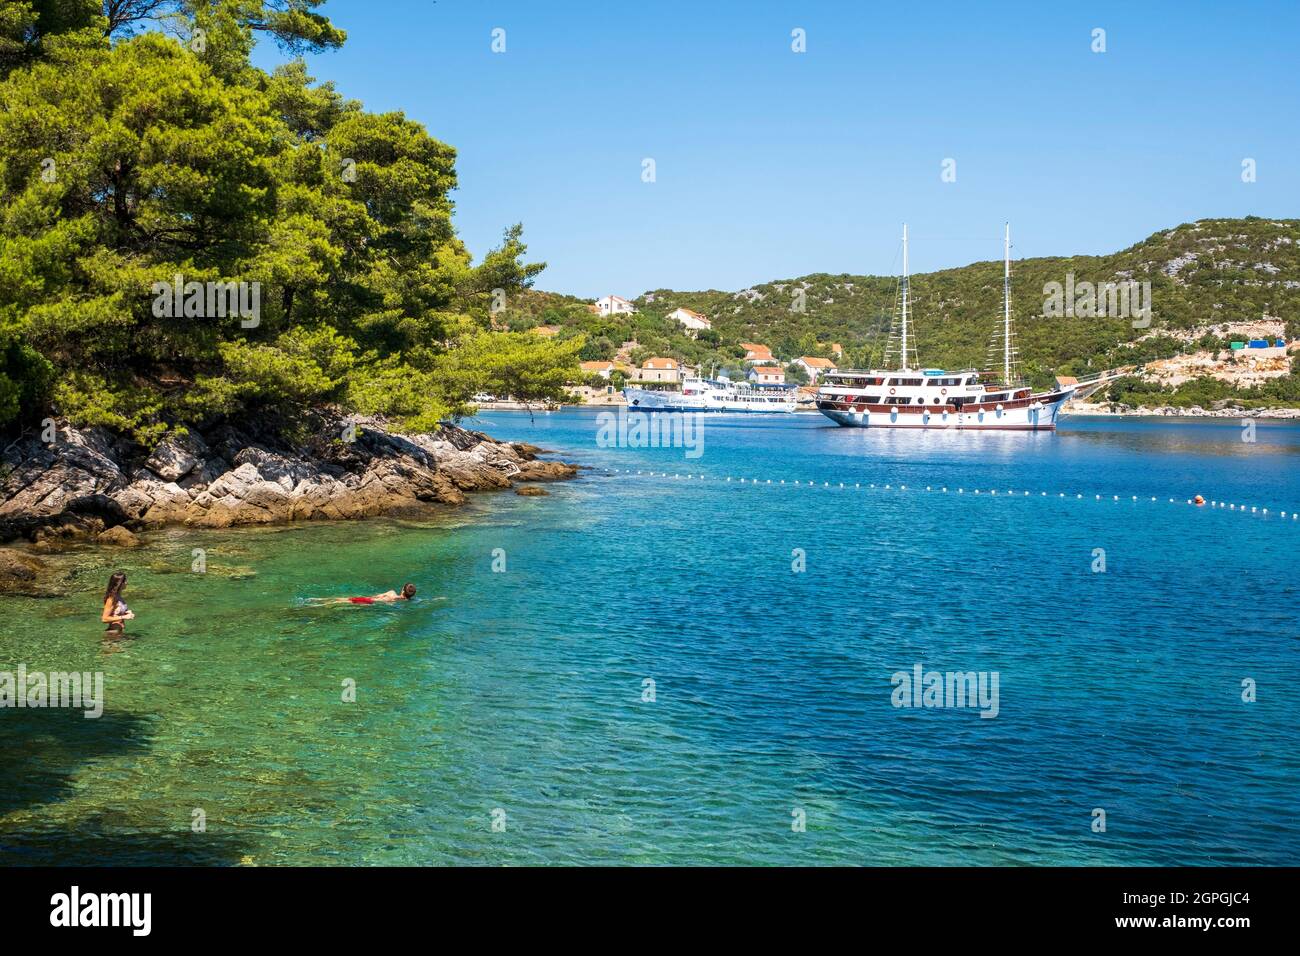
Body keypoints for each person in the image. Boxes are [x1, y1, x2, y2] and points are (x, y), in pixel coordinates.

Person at [313, 584, 417, 606]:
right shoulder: (402, 599)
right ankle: (316, 605)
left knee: (344, 599)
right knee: (342, 602)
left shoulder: (391, 592)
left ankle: (316, 599)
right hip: (369, 602)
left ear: (402, 589)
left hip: (368, 598)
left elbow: (377, 595)